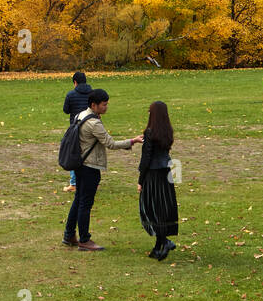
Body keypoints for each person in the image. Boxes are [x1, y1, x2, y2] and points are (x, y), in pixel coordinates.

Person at [63, 89, 142, 252]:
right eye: (104, 104)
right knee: (85, 203)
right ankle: (84, 239)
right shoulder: (94, 123)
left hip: (79, 164)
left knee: (78, 199)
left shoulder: (81, 115)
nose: (106, 107)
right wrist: (132, 141)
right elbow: (110, 143)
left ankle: (69, 235)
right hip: (89, 166)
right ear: (94, 105)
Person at [137, 101, 179, 260]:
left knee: (151, 208)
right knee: (162, 208)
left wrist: (140, 179)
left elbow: (146, 158)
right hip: (166, 173)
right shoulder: (167, 132)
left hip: (153, 174)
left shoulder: (150, 133)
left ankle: (164, 242)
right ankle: (159, 244)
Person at [62, 71, 93, 193]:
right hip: (91, 127)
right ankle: (89, 181)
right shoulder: (93, 94)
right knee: (89, 154)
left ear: (75, 82)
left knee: (73, 154)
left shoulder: (71, 95)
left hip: (76, 128)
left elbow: (66, 110)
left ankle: (74, 183)